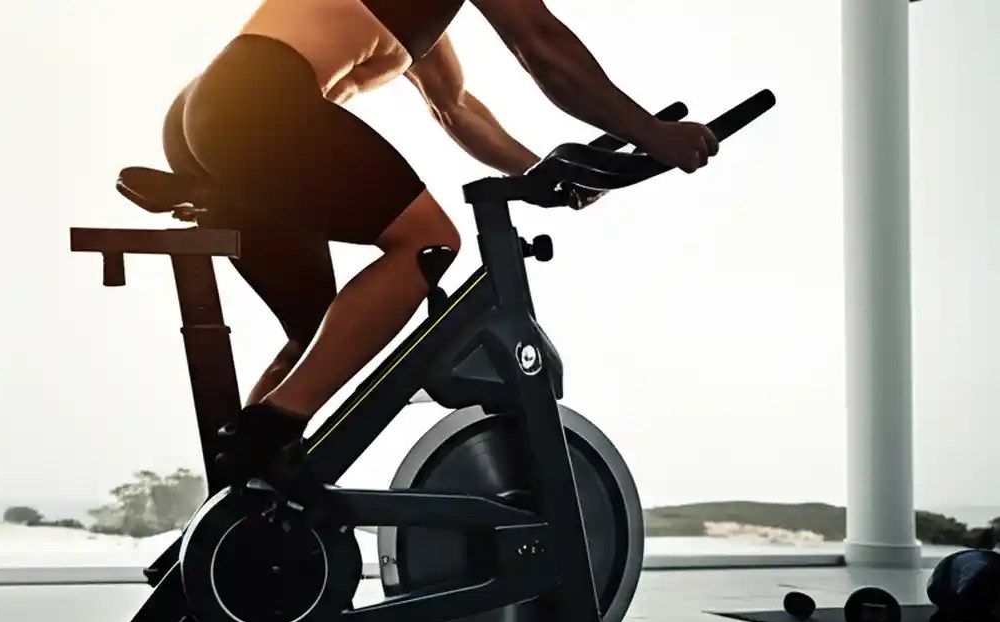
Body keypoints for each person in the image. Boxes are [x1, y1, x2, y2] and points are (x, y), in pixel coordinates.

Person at [162, 0, 719, 491]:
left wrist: (544, 174)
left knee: (318, 337)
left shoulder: (415, 21)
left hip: (210, 113)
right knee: (427, 243)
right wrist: (653, 133)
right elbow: (541, 45)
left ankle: (235, 503)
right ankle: (271, 432)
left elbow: (454, 107)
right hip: (254, 104)